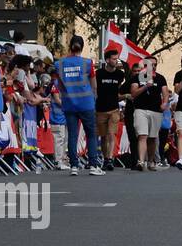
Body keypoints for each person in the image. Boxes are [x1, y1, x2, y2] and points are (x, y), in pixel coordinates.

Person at [53, 35, 103, 176]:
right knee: (91, 135)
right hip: (86, 103)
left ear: (70, 46)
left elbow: (60, 85)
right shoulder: (87, 63)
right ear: (82, 46)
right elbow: (94, 85)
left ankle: (74, 166)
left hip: (69, 103)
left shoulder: (59, 64)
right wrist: (94, 99)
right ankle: (93, 165)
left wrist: (66, 96)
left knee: (72, 135)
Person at [130, 57, 169, 171]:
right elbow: (133, 93)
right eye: (151, 64)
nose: (153, 66)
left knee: (152, 138)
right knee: (142, 135)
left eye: (155, 64)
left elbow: (165, 93)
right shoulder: (137, 77)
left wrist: (165, 103)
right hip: (140, 109)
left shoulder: (161, 78)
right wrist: (146, 86)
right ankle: (141, 161)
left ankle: (151, 161)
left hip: (156, 110)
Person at [95, 46, 128, 171]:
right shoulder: (99, 74)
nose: (116, 61)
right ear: (108, 60)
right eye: (114, 59)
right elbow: (95, 90)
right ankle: (105, 158)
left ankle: (109, 158)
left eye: (117, 59)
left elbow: (119, 90)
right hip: (100, 109)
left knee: (111, 134)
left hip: (114, 109)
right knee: (103, 136)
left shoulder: (120, 74)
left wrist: (123, 96)